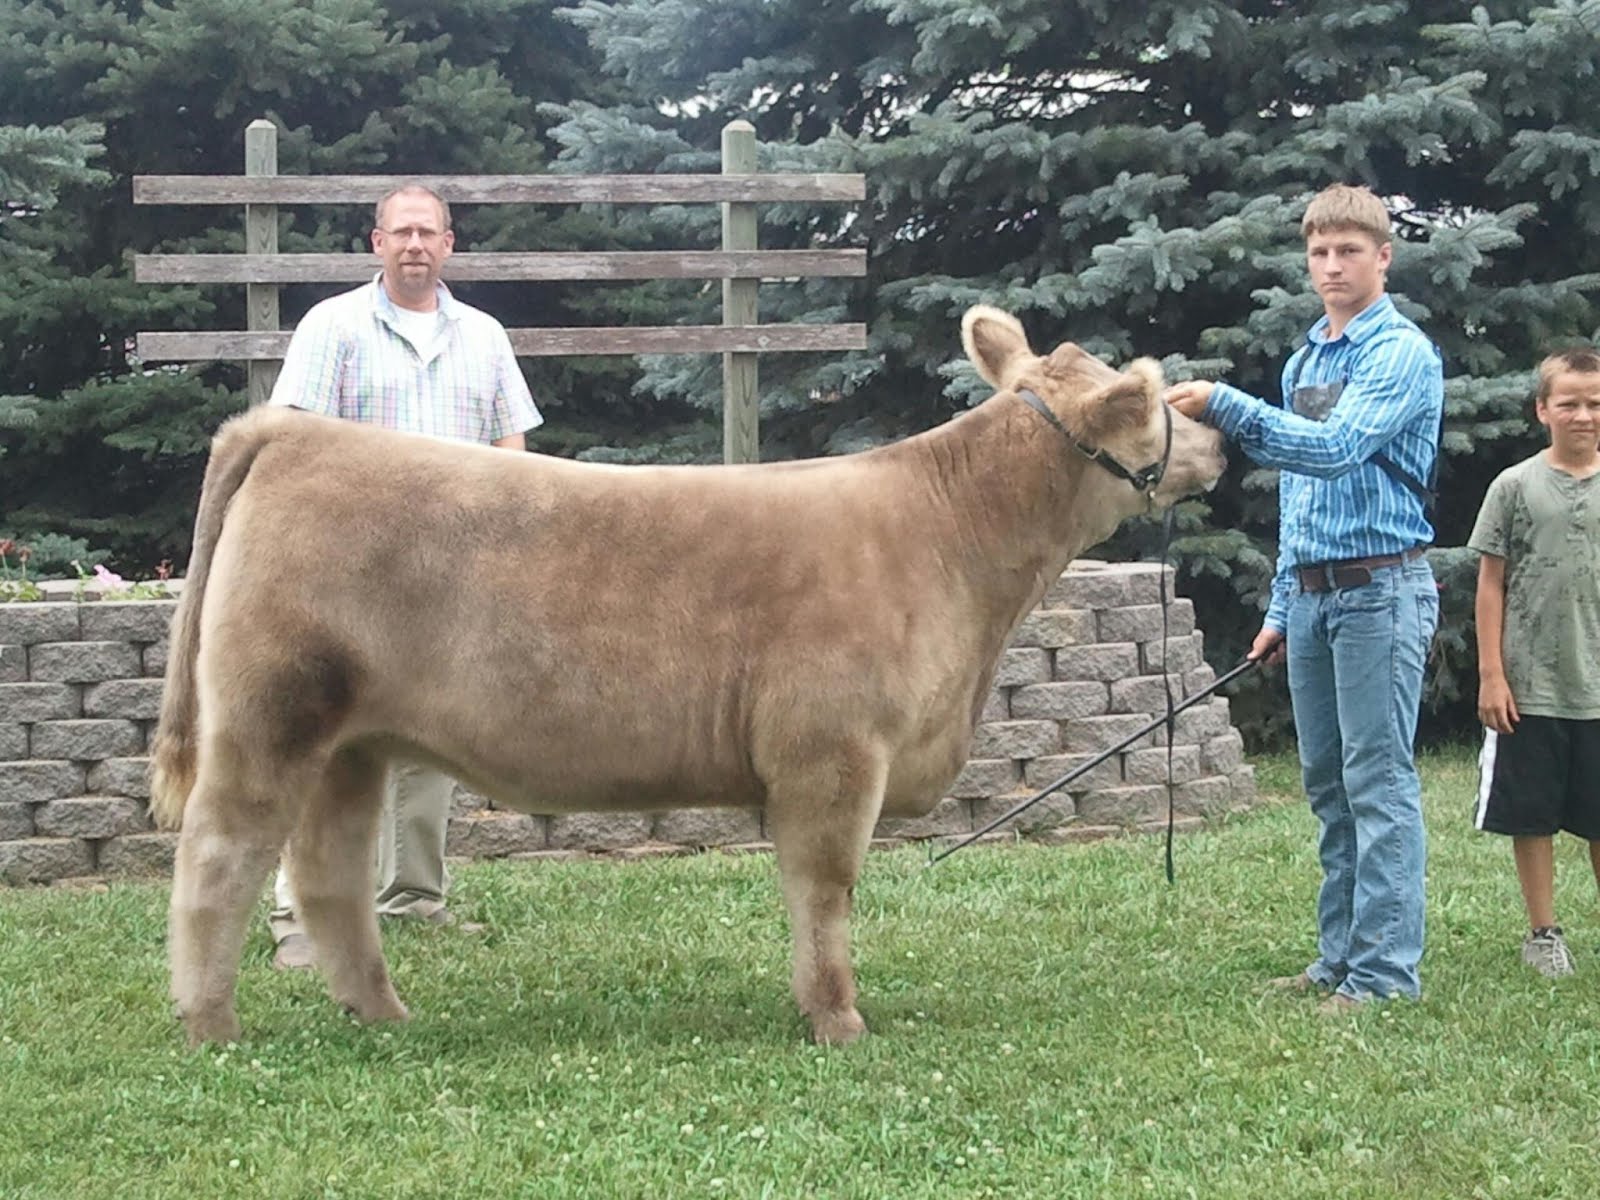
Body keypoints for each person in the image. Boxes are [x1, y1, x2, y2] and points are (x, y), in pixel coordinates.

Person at [1165, 183, 1443, 1011]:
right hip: (1317, 599)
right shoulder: (1306, 358)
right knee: (1327, 782)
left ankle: (1385, 976)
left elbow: (1336, 451)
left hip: (1381, 591)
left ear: (1382, 257)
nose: (1332, 266)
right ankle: (1338, 960)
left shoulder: (1400, 353)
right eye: (1319, 252)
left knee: (1377, 783)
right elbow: (1302, 496)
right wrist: (1284, 605)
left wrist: (1225, 404)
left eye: (1349, 251)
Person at [265, 183, 542, 969]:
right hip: (352, 574)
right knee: (326, 738)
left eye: (429, 232)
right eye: (401, 232)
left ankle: (414, 898)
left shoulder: (484, 335)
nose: (415, 244)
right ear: (375, 242)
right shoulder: (334, 327)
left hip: (456, 577)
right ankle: (301, 916)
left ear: (449, 245)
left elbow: (509, 451)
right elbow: (294, 450)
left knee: (433, 739)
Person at [1470, 348, 1600, 978]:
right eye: (1569, 403)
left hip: (1597, 683)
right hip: (1530, 684)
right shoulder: (1514, 486)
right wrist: (1493, 673)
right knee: (1535, 813)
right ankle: (1543, 932)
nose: (1583, 415)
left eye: (1595, 403)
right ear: (1542, 410)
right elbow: (1491, 583)